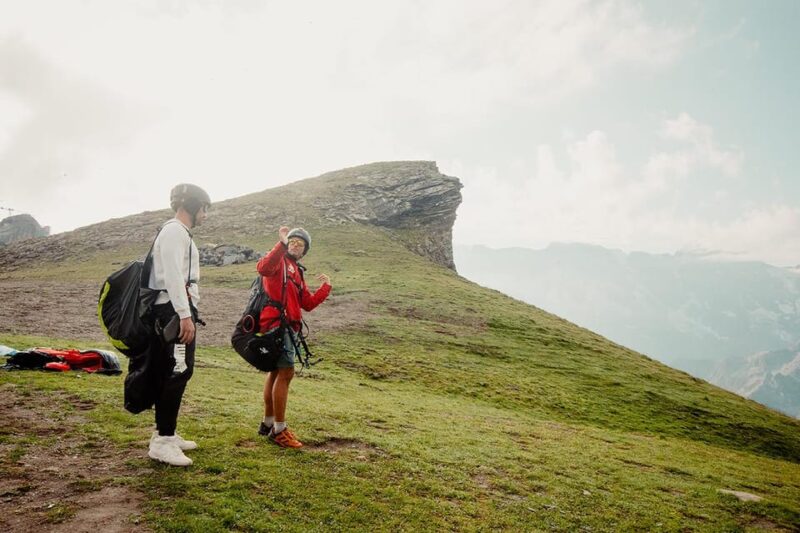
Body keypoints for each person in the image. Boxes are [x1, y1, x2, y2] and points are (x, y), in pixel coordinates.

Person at [143, 183, 210, 466]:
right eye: (205, 209)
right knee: (178, 370)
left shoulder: (180, 233)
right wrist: (184, 314)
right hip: (172, 311)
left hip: (178, 308)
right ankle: (162, 441)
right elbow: (172, 275)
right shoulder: (173, 231)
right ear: (192, 206)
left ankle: (165, 434)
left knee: (176, 370)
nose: (205, 216)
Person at [256, 226, 331, 448]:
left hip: (289, 327)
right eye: (293, 241)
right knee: (286, 373)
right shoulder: (278, 261)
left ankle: (268, 423)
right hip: (277, 326)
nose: (296, 244)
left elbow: (306, 303)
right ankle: (279, 430)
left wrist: (325, 288)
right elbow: (263, 267)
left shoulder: (296, 270)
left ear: (304, 251)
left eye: (301, 243)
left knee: (276, 373)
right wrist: (280, 244)